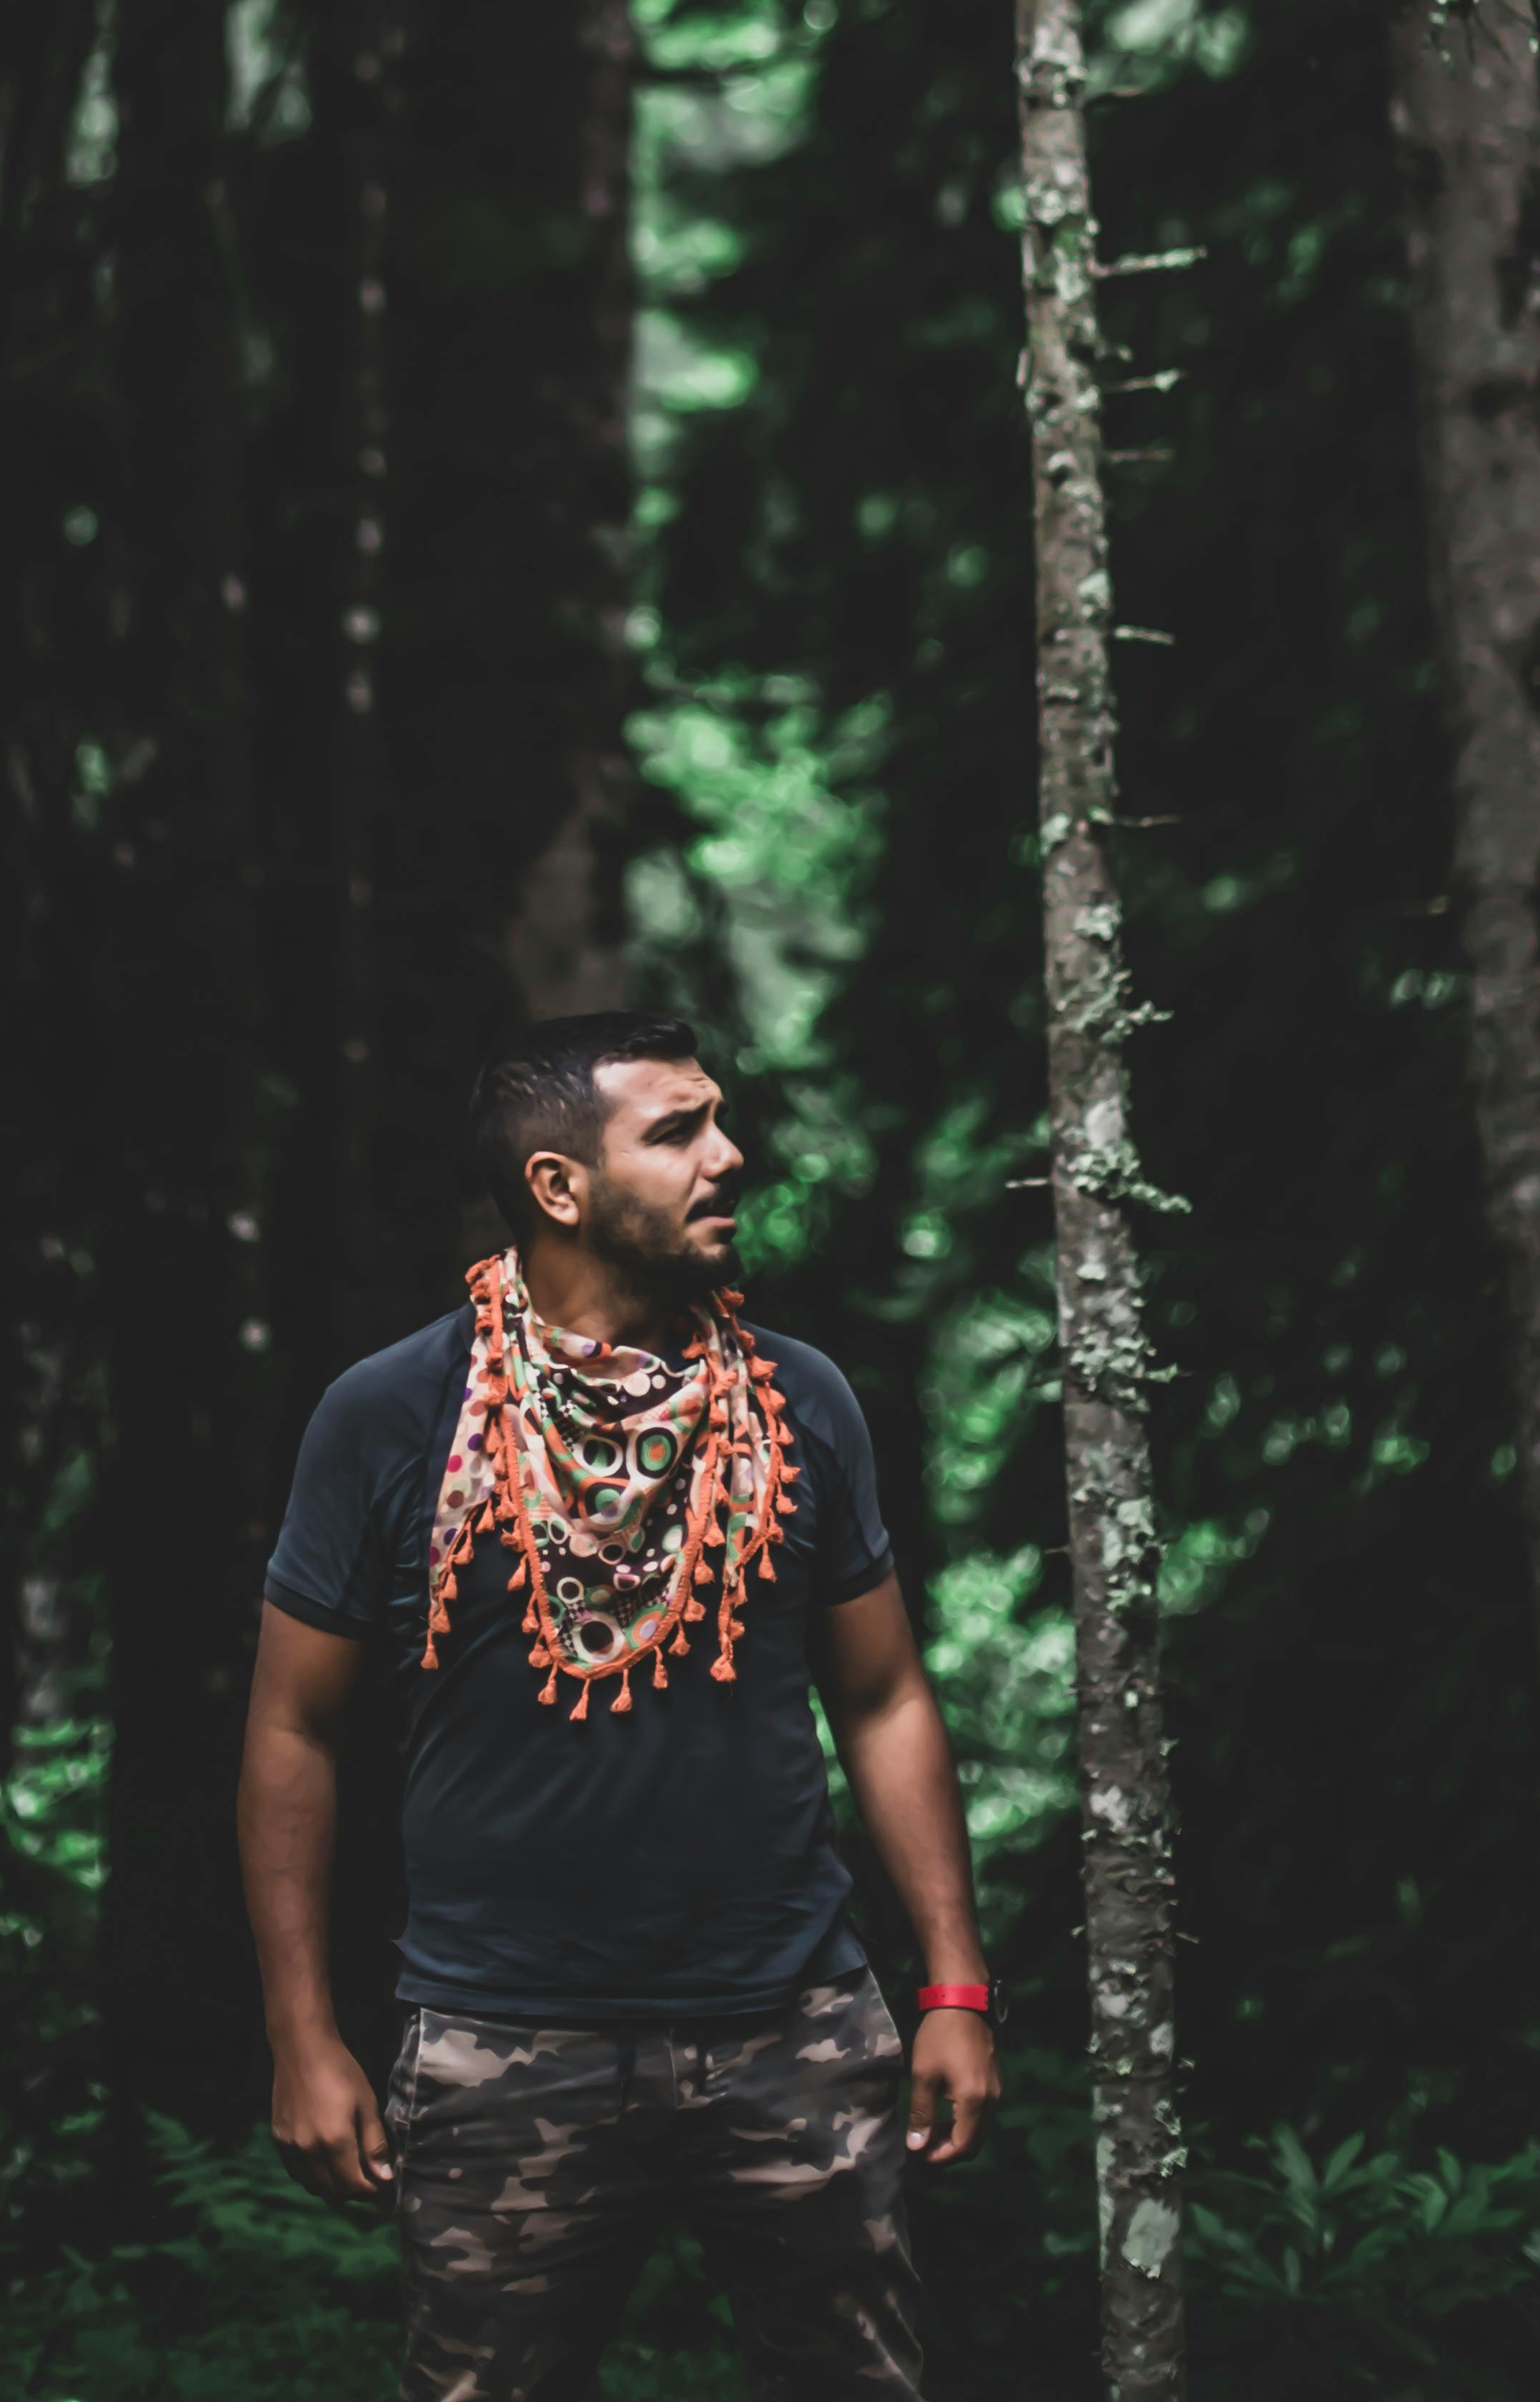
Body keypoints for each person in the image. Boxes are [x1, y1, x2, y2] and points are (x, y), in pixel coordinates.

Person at [238, 1013, 1001, 2401]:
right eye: (678, 1130)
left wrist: (953, 1986)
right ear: (558, 1187)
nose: (731, 1155)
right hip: (500, 2043)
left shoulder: (802, 1404)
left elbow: (884, 1699)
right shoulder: (393, 1415)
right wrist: (302, 2034)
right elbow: (294, 1730)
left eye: (720, 1119)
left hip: (796, 2028)